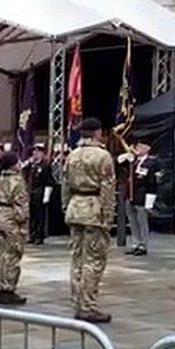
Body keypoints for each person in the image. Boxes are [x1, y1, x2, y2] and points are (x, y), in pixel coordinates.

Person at [62, 118, 115, 324]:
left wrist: (66, 207)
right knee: (93, 260)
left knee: (77, 259)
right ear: (97, 132)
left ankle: (77, 302)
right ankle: (88, 306)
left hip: (75, 207)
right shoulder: (103, 156)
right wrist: (108, 216)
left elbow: (65, 185)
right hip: (94, 210)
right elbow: (107, 188)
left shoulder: (72, 155)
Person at [0, 152, 27, 305]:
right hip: (12, 218)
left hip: (0, 216)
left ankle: (1, 287)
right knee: (12, 255)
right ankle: (8, 289)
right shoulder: (18, 181)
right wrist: (23, 222)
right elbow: (21, 204)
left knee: (1, 255)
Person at [119, 142, 158, 256]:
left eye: (141, 146)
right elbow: (119, 163)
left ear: (148, 148)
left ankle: (143, 245)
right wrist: (126, 156)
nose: (138, 148)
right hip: (130, 195)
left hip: (142, 196)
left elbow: (152, 182)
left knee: (142, 221)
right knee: (132, 221)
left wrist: (150, 200)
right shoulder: (133, 161)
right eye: (137, 146)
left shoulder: (150, 163)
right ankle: (135, 243)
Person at [25, 145, 54, 245]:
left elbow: (49, 181)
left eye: (38, 152)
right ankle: (32, 235)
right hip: (31, 192)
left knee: (40, 216)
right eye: (34, 152)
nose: (35, 154)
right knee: (32, 215)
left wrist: (46, 196)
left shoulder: (45, 166)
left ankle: (39, 236)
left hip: (40, 191)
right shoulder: (31, 165)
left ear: (42, 154)